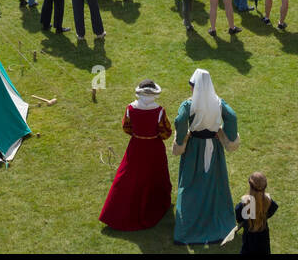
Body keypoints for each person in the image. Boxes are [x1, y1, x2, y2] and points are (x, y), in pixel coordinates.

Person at [172, 69, 239, 246]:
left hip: (194, 147)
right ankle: (216, 220)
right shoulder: (218, 102)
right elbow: (231, 117)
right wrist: (229, 137)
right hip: (214, 145)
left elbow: (179, 121)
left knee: (190, 182)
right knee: (215, 182)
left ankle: (190, 225)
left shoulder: (188, 104)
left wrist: (181, 139)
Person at [98, 80, 174, 231]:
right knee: (154, 174)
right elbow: (166, 132)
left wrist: (139, 134)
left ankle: (117, 210)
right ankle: (153, 203)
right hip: (154, 148)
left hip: (136, 147)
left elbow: (126, 127)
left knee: (129, 175)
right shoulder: (159, 111)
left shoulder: (130, 108)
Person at [235, 171, 278, 255]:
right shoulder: (269, 202)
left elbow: (239, 219)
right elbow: (271, 212)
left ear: (250, 186)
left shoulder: (243, 204)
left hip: (248, 242)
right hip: (263, 242)